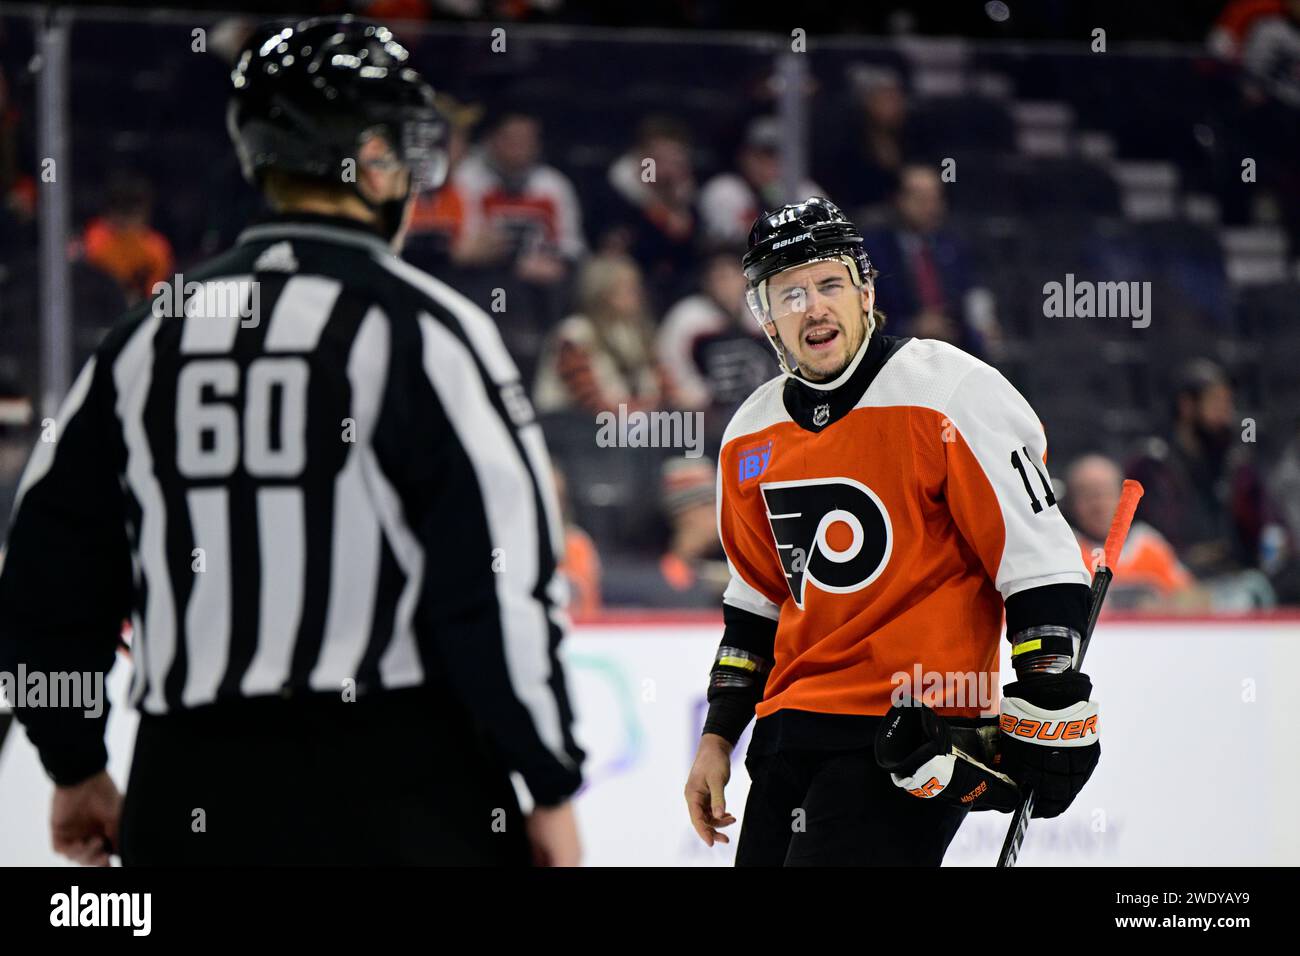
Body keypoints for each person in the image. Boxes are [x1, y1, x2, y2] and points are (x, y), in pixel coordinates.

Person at [0, 16, 584, 866]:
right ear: (376, 162)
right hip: (399, 793)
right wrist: (547, 779)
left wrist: (74, 761)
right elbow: (496, 586)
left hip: (186, 789)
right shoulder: (427, 329)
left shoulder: (146, 336)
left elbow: (48, 570)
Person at [683, 198, 1099, 866]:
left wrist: (1047, 692)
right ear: (765, 317)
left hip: (913, 735)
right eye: (789, 294)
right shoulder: (749, 435)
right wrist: (716, 739)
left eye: (829, 284)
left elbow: (1038, 560)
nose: (813, 307)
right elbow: (756, 605)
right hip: (790, 735)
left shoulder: (950, 391)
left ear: (866, 290)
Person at [1064, 454, 1207, 611]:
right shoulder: (1066, 552)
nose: (1099, 505)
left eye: (1106, 493)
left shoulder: (1148, 544)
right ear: (1071, 502)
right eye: (1088, 495)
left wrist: (1163, 606)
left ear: (1122, 497)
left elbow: (1195, 599)